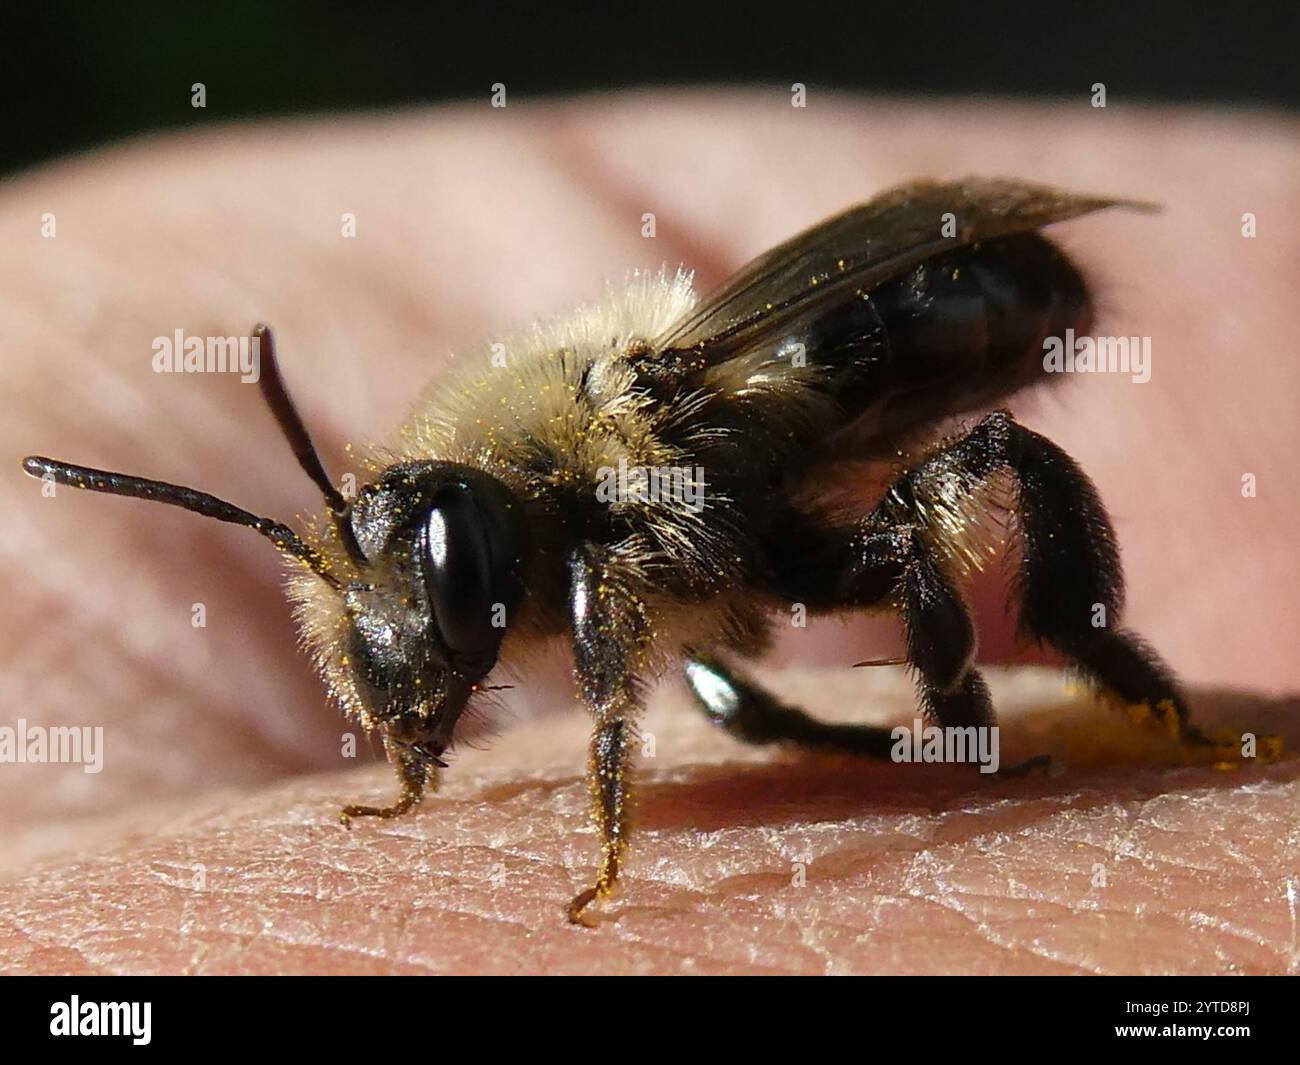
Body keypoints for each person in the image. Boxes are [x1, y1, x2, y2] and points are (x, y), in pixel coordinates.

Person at [2, 95, 1296, 974]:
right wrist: (415, 761)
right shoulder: (519, 520)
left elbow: (625, 589)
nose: (427, 648)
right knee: (773, 671)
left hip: (962, 297)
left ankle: (1057, 721)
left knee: (965, 490)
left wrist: (627, 819)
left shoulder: (616, 469)